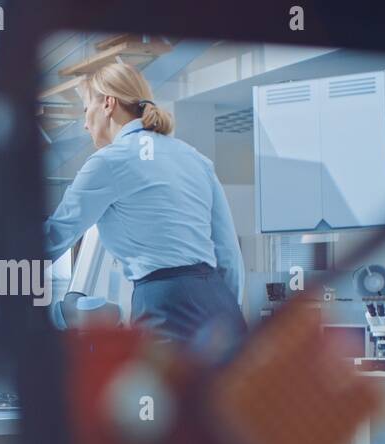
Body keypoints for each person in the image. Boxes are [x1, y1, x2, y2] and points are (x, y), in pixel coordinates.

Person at [45, 62, 246, 345]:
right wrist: (227, 312)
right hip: (221, 304)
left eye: (86, 109)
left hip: (165, 305)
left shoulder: (108, 162)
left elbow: (55, 235)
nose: (85, 123)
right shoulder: (195, 159)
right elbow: (229, 257)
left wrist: (2, 283)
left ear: (108, 104)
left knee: (155, 389)